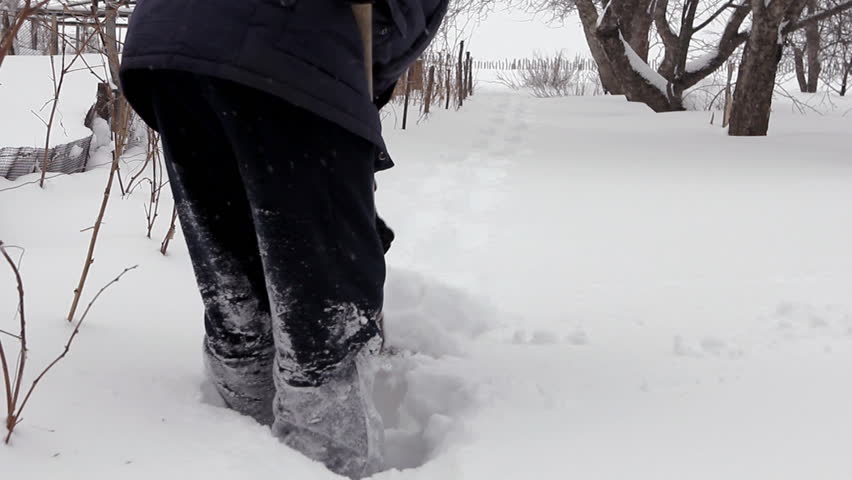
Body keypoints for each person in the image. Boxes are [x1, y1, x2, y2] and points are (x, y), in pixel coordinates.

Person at [119, 1, 447, 478]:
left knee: (234, 279)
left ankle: (239, 443)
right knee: (322, 316)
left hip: (168, 48)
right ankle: (326, 463)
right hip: (289, 48)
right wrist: (353, 94)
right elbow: (394, 27)